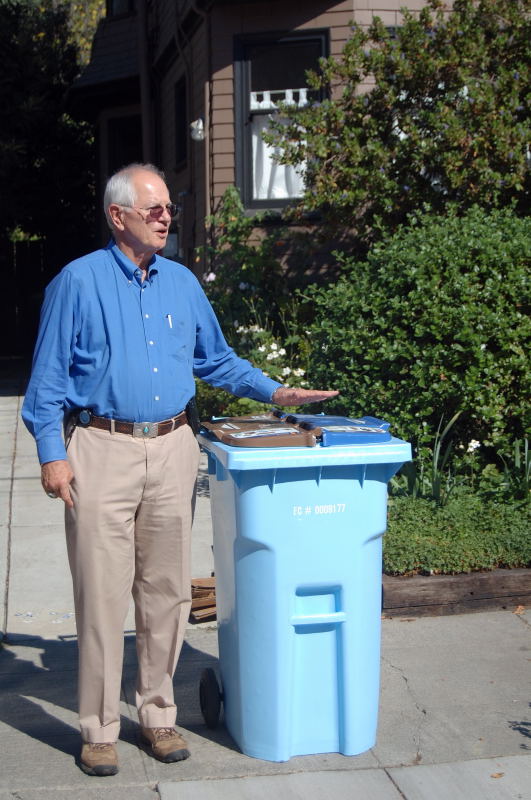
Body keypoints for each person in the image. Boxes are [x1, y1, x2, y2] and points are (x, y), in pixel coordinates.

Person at [21, 163, 338, 777]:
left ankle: (158, 716)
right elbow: (47, 384)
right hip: (100, 447)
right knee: (101, 597)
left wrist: (275, 394)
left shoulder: (182, 283)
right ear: (119, 216)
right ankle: (98, 730)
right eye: (154, 209)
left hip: (173, 448)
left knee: (165, 593)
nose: (167, 216)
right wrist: (51, 454)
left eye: (169, 208)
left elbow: (215, 361)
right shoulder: (77, 283)